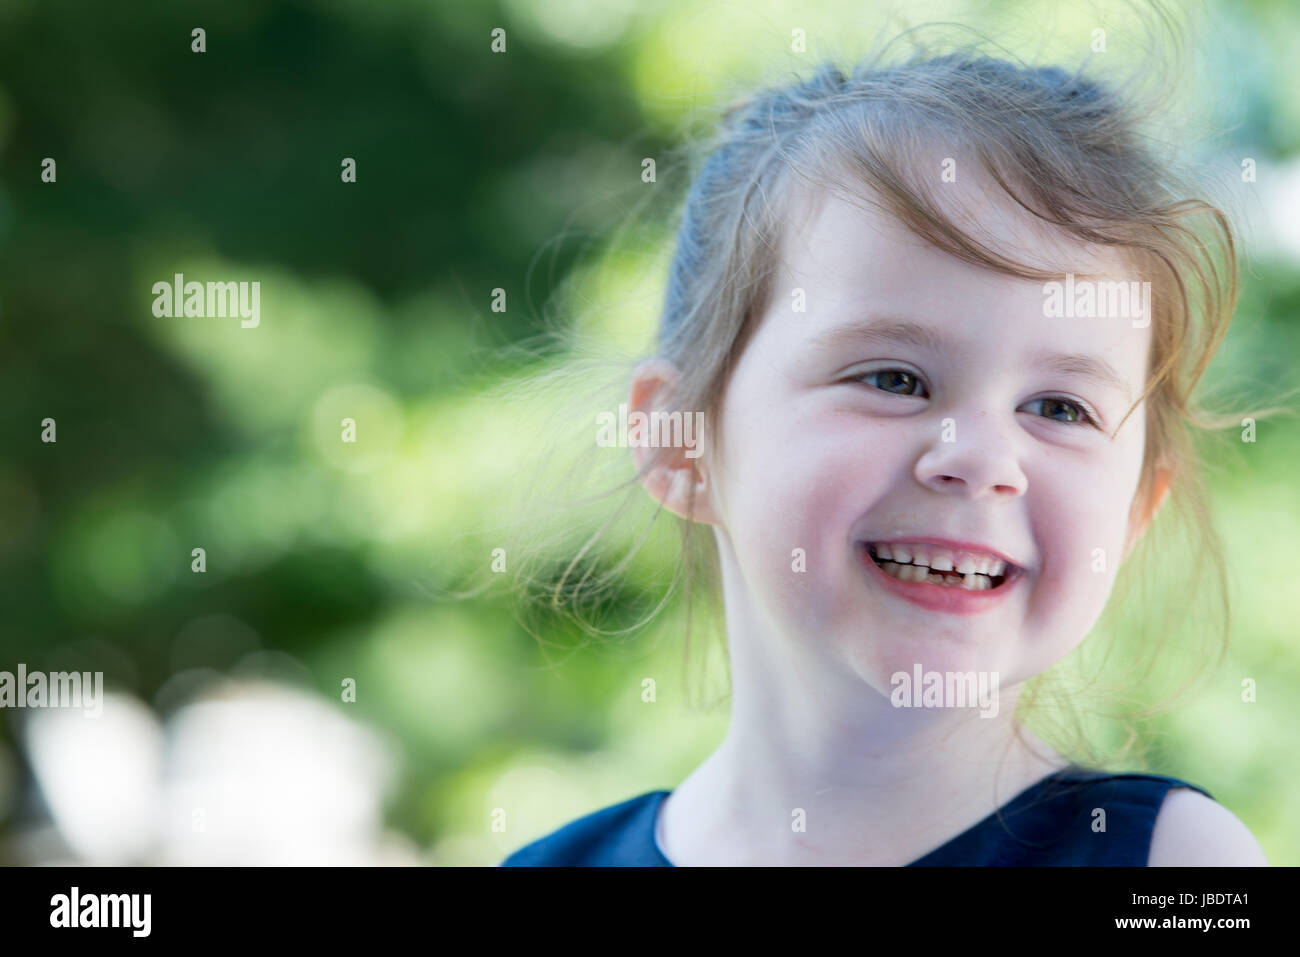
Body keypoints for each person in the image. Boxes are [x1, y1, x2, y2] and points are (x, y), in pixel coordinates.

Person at [499, 37, 1272, 866]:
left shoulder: (1176, 862)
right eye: (895, 378)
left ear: (1133, 515)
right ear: (680, 442)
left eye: (1059, 406)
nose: (980, 458)